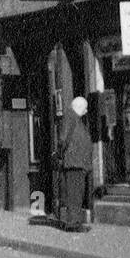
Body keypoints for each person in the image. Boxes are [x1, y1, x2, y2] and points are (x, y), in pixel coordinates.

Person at [58, 95, 93, 233]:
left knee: (77, 193)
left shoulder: (75, 118)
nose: (86, 111)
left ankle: (75, 222)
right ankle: (73, 223)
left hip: (78, 162)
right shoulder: (70, 117)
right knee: (74, 194)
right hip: (74, 162)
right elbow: (63, 139)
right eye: (85, 108)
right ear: (79, 107)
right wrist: (62, 155)